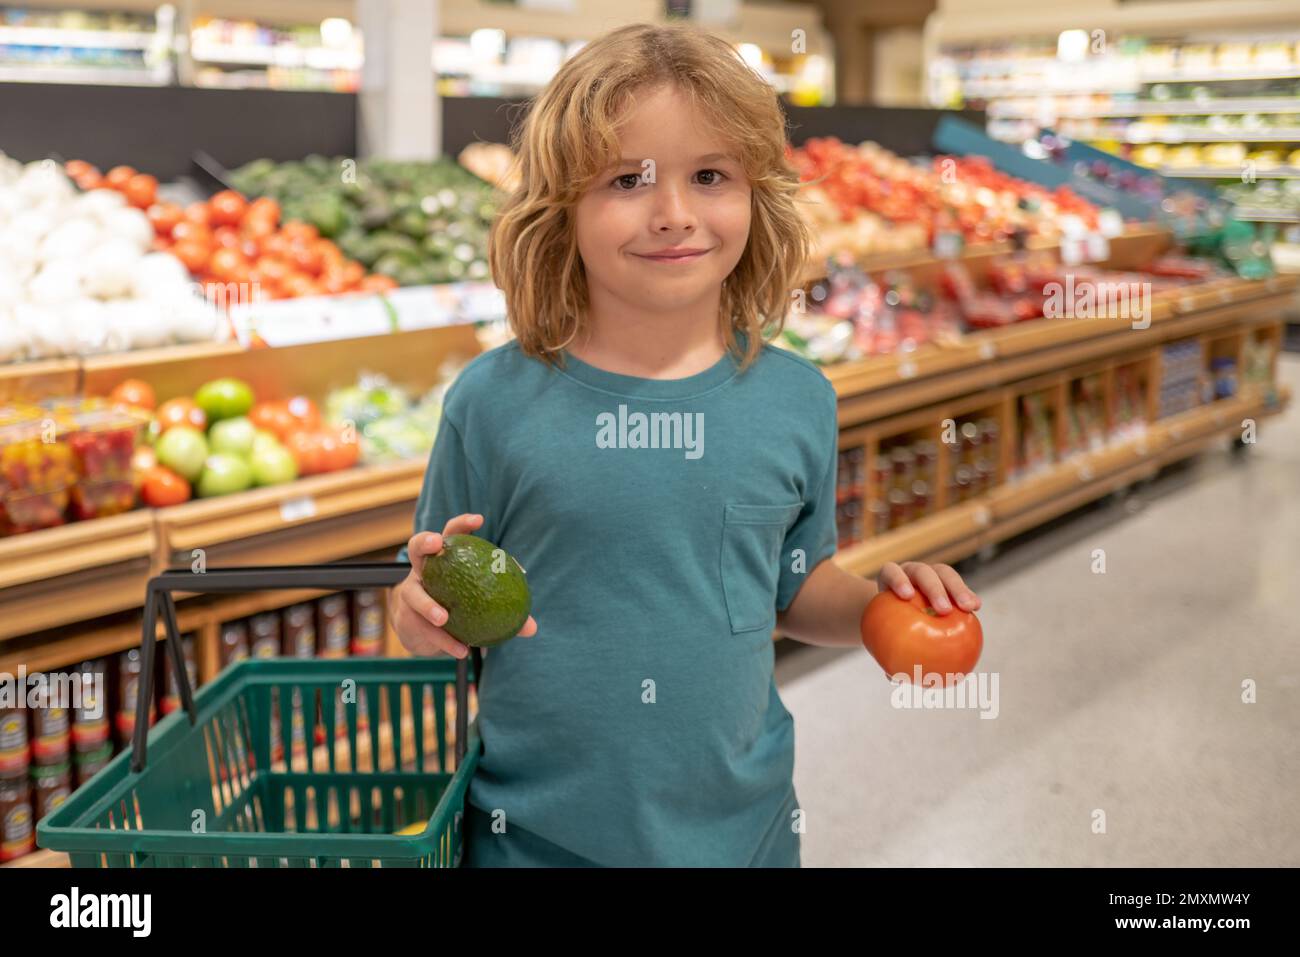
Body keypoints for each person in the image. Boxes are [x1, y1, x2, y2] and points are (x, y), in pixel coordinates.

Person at [391, 22, 981, 867]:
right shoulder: (491, 402)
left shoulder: (796, 399)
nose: (673, 214)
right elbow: (430, 587)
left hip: (745, 833)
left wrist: (884, 613)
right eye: (626, 179)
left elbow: (790, 583)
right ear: (562, 207)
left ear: (758, 196)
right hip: (532, 838)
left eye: (710, 175)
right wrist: (415, 612)